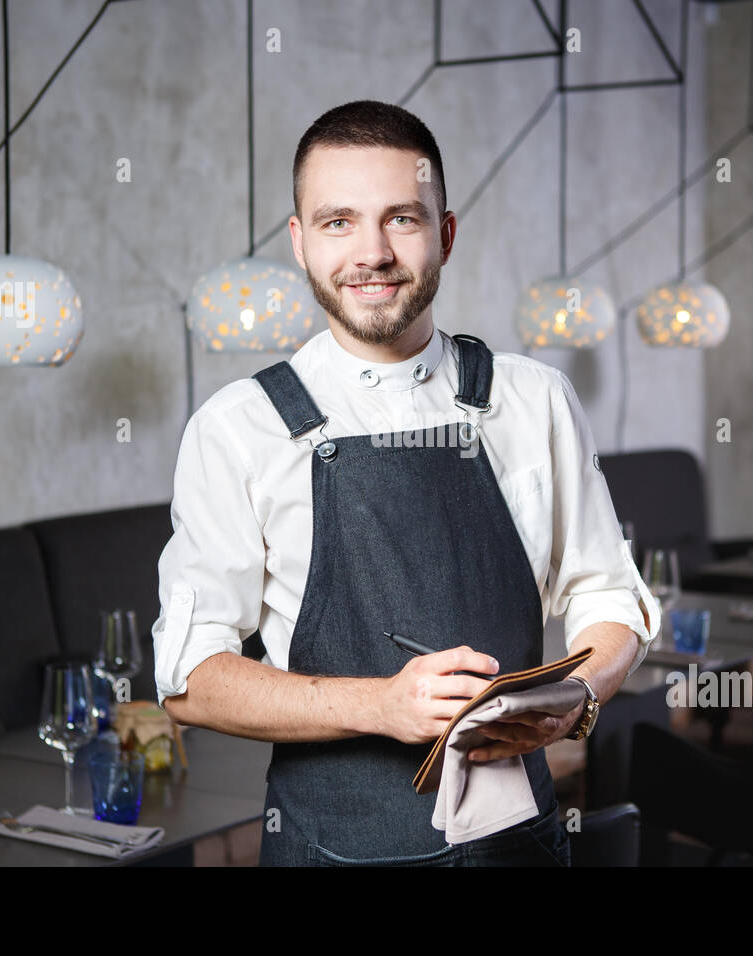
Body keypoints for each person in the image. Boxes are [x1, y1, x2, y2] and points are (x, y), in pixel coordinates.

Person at [153, 99, 660, 866]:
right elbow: (191, 677)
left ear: (446, 234)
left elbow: (610, 594)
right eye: (338, 222)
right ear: (299, 242)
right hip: (330, 849)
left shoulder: (535, 399)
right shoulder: (239, 427)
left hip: (517, 844)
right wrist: (380, 704)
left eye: (402, 219)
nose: (372, 252)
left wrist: (577, 695)